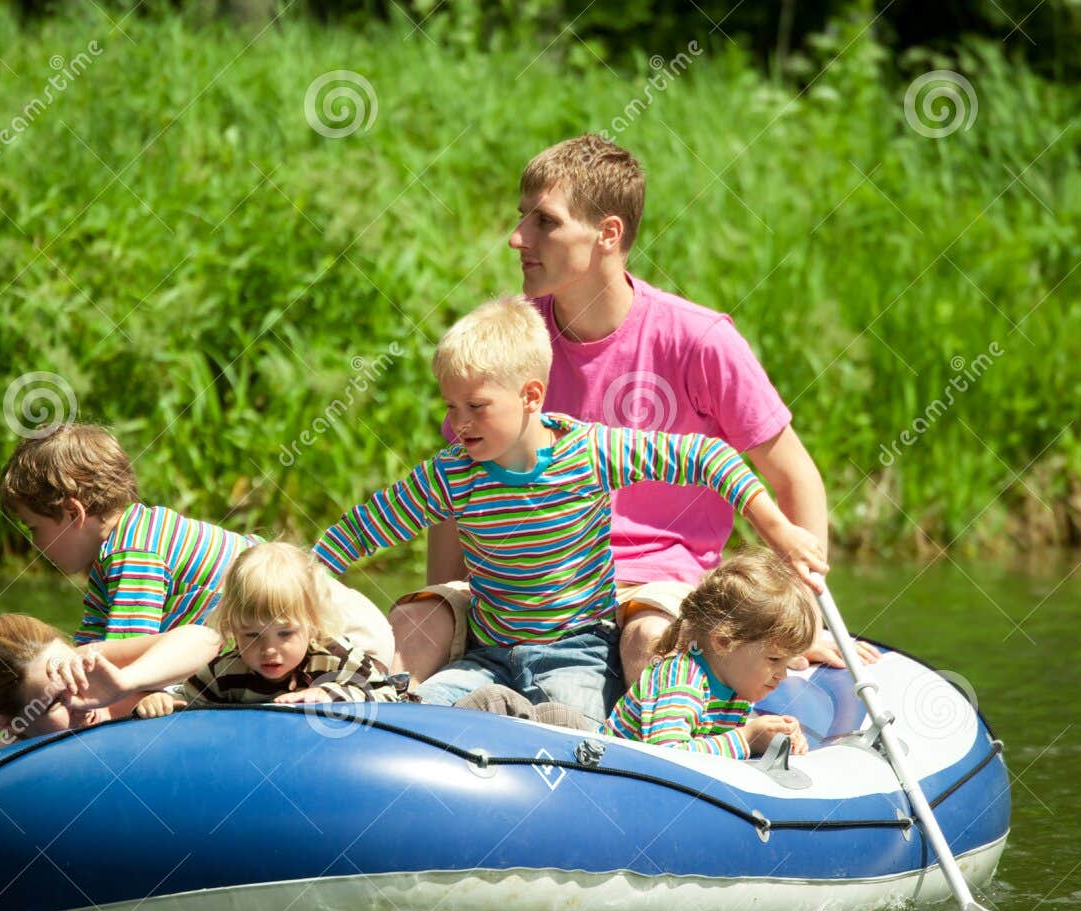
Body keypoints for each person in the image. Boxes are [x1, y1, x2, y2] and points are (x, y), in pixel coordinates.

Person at [389, 134, 876, 686]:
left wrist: (801, 623)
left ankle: (656, 743)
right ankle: (376, 717)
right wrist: (454, 603)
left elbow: (795, 477)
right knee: (416, 620)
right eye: (521, 216)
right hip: (524, 590)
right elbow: (461, 480)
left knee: (646, 637)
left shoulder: (699, 340)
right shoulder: (513, 339)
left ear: (608, 233)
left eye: (544, 221)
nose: (516, 237)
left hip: (655, 585)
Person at [312, 295, 826, 728]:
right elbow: (366, 527)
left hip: (578, 651)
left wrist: (777, 528)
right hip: (488, 657)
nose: (459, 422)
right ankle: (485, 725)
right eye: (451, 407)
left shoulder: (589, 453)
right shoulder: (453, 474)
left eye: (476, 406)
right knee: (417, 716)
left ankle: (537, 729)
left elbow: (705, 455)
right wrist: (297, 576)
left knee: (573, 731)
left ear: (531, 395)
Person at [0, 423, 395, 664]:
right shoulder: (117, 553)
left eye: (34, 528)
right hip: (292, 629)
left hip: (332, 627)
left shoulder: (132, 552)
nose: (34, 544)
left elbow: (121, 655)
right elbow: (94, 646)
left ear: (74, 513)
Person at [608, 550, 819, 759]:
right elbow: (667, 757)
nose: (782, 675)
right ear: (723, 641)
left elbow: (710, 740)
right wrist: (748, 738)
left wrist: (776, 737)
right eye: (774, 659)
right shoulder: (682, 681)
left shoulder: (736, 684)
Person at [0, 613, 221, 757]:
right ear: (8, 724)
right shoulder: (0, 760)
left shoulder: (96, 666)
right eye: (57, 701)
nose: (83, 700)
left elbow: (207, 639)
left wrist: (127, 680)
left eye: (76, 672)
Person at [178, 542, 405, 706]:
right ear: (234, 629)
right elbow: (187, 698)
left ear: (313, 624)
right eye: (252, 635)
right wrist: (165, 701)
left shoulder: (336, 659)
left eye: (285, 634)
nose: (268, 650)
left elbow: (387, 694)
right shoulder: (226, 673)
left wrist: (330, 693)